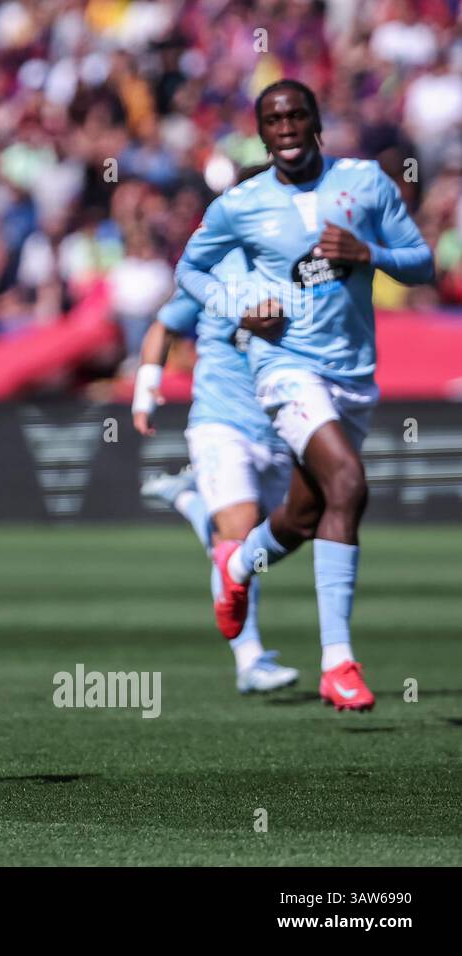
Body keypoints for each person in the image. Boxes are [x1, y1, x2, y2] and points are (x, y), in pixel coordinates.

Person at [175, 80, 434, 711]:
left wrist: (369, 251)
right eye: (273, 119)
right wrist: (239, 306)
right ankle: (337, 662)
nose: (286, 127)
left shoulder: (367, 183)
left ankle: (237, 570)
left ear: (316, 121)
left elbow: (423, 262)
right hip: (284, 367)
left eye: (296, 115)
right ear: (261, 134)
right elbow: (189, 270)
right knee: (348, 482)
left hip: (353, 376)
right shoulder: (241, 204)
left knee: (302, 516)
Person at [134, 241, 299, 693]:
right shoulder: (214, 273)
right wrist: (145, 390)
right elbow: (164, 327)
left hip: (278, 429)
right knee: (240, 538)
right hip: (221, 421)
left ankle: (188, 499)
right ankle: (250, 660)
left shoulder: (300, 264)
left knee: (261, 548)